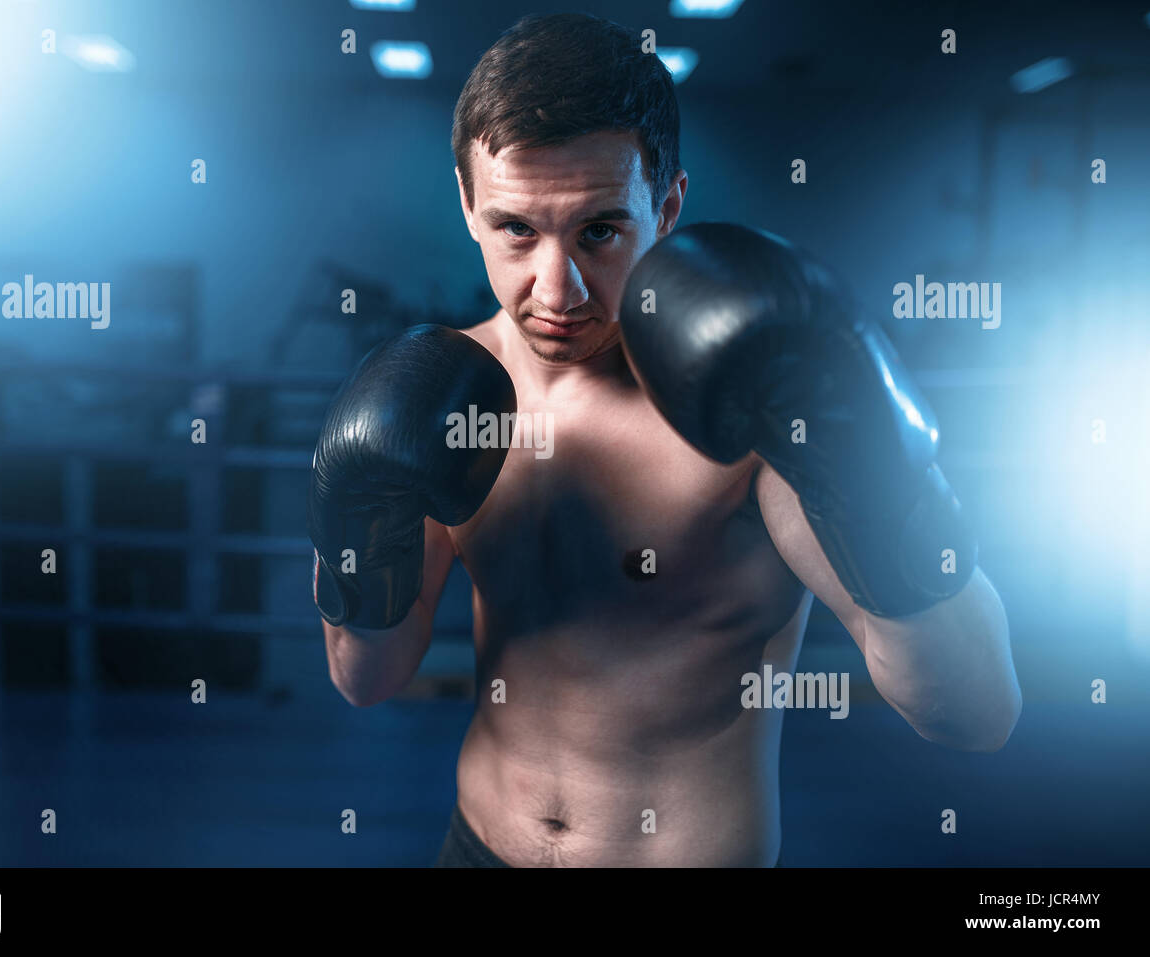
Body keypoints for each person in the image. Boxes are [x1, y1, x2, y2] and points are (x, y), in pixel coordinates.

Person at [308, 13, 1021, 867]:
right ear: (468, 202)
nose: (557, 288)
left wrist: (878, 479)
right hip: (477, 847)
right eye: (517, 230)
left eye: (600, 230)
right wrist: (355, 525)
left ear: (668, 206)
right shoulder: (441, 397)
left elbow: (977, 713)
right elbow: (366, 676)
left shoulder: (746, 416)